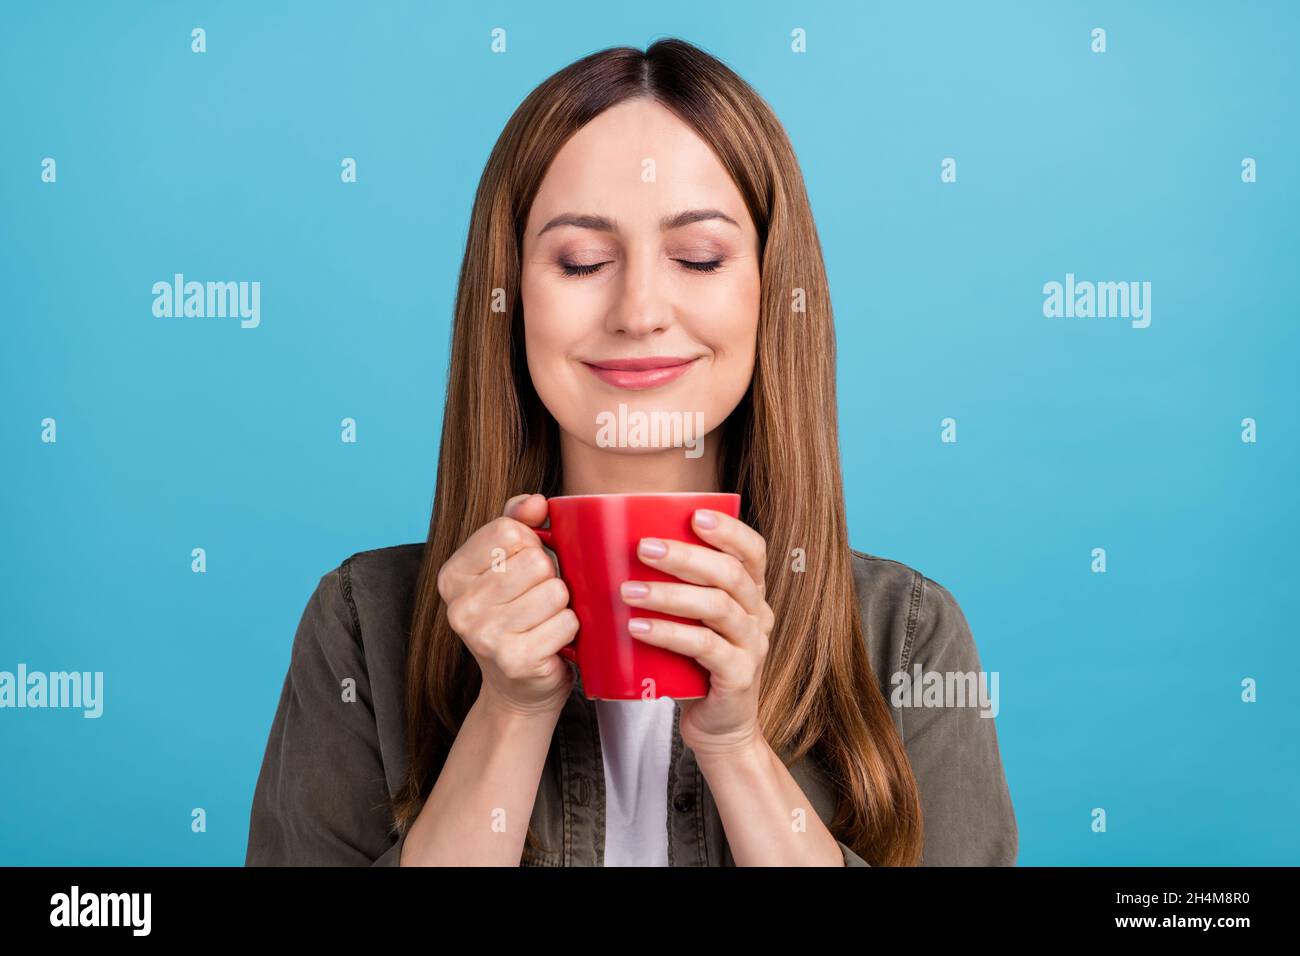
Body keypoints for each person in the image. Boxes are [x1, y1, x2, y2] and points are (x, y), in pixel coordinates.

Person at [245, 38, 1018, 867]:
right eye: (581, 262)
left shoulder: (907, 634)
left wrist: (736, 748)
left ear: (770, 289)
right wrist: (508, 713)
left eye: (698, 257)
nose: (640, 309)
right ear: (509, 296)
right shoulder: (364, 625)